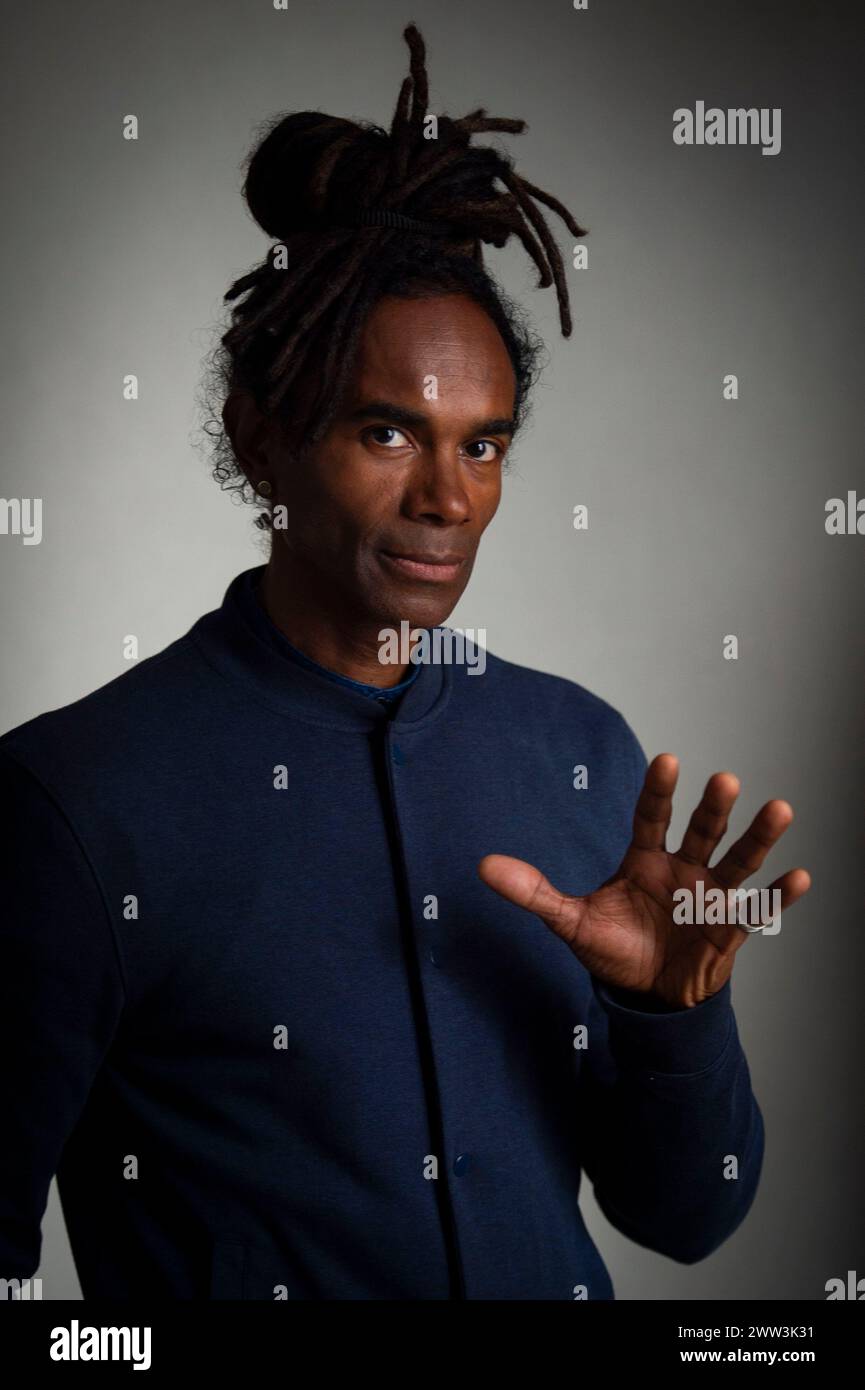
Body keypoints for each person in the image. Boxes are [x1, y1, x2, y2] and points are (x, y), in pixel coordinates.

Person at [0, 23, 809, 1301]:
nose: (448, 497)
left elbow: (690, 1220)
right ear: (261, 438)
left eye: (483, 446)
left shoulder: (580, 751)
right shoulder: (72, 802)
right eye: (389, 432)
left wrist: (671, 1014)